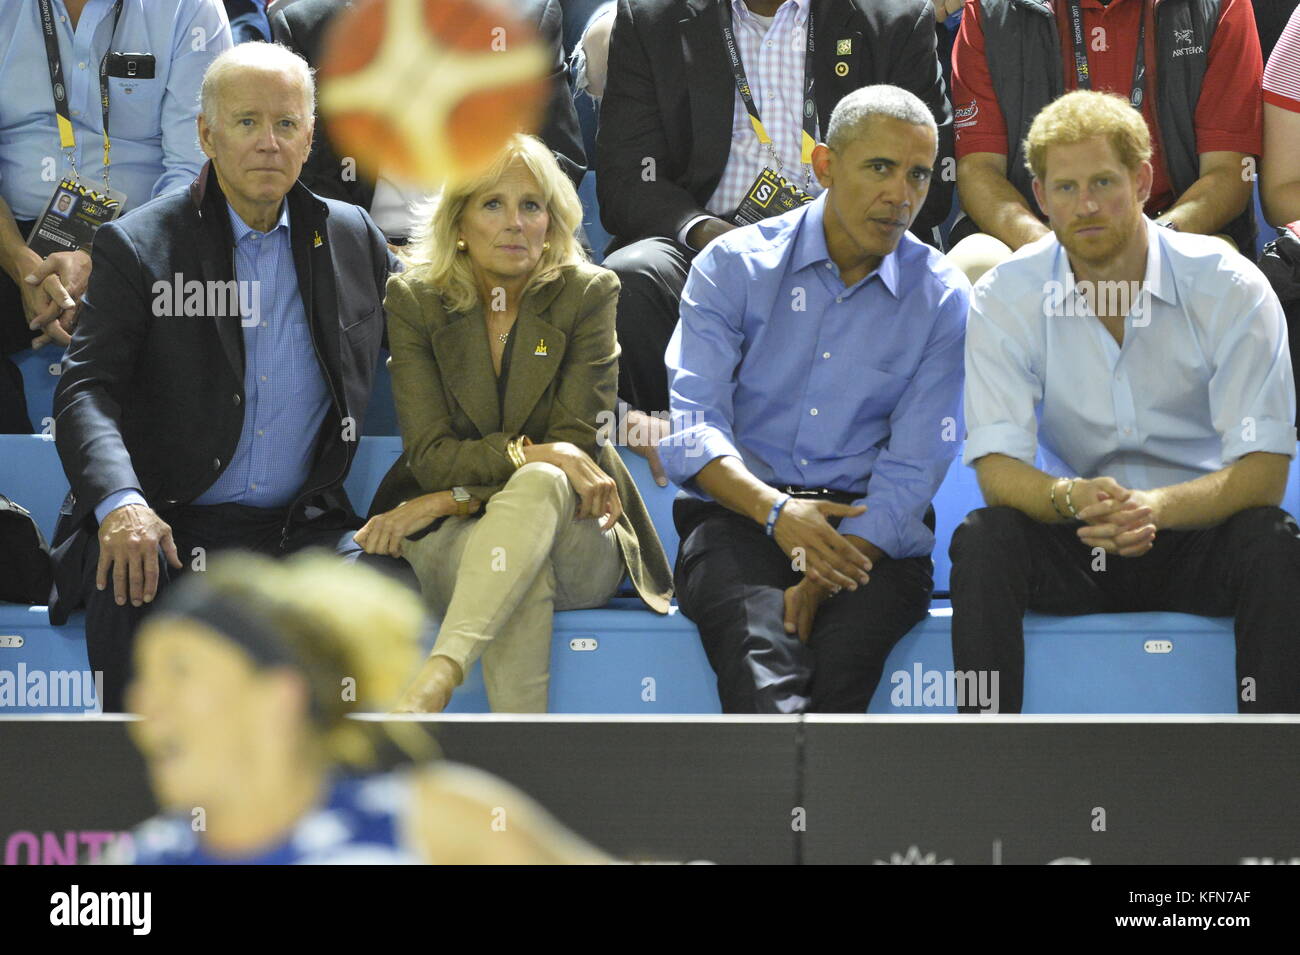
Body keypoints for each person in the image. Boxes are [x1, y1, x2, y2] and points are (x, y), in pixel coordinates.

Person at [49, 42, 399, 713]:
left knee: (388, 579)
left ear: (310, 137)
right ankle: (142, 799)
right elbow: (85, 389)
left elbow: (432, 332)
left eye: (287, 124)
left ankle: (339, 803)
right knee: (126, 583)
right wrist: (120, 502)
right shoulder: (139, 244)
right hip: (170, 524)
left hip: (301, 529)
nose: (269, 143)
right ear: (206, 134)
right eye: (246, 123)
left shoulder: (353, 238)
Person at [953, 90, 1300, 714]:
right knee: (985, 539)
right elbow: (997, 469)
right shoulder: (1006, 294)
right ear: (1039, 197)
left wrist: (1155, 508)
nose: (1084, 206)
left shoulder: (1230, 286)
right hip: (1079, 530)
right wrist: (1070, 499)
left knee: (1273, 541)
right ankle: (984, 756)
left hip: (1200, 533)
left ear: (1142, 181)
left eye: (1103, 182)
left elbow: (1266, 473)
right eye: (1064, 188)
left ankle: (1274, 763)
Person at [659, 86, 969, 714]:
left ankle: (804, 812)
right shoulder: (732, 266)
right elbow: (694, 429)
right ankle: (792, 813)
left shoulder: (941, 296)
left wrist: (823, 577)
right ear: (824, 165)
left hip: (872, 539)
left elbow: (913, 468)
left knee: (837, 683)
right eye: (879, 167)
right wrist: (777, 515)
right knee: (762, 675)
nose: (901, 195)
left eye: (917, 174)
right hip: (742, 521)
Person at [357, 133, 672, 714]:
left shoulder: (589, 294)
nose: (515, 223)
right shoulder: (416, 301)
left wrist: (442, 500)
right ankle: (521, 760)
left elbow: (574, 445)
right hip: (466, 548)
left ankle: (438, 677)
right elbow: (429, 454)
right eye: (492, 204)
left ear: (553, 223)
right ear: (459, 222)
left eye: (532, 206)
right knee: (515, 565)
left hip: (578, 536)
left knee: (545, 483)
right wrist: (532, 457)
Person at [595, 0, 954, 438]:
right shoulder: (653, 17)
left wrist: (823, 239)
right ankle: (680, 458)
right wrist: (718, 238)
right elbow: (628, 179)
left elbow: (930, 182)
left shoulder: (892, 17)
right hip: (708, 243)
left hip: (847, 239)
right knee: (632, 278)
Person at [106, 553, 610, 864]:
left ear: (278, 698)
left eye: (178, 671)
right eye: (142, 680)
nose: (143, 704)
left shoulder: (433, 824)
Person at [0, 0, 231, 433]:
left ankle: (157, 480)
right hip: (12, 233)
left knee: (212, 290)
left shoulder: (190, 8)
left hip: (153, 232)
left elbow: (194, 169)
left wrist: (104, 261)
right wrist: (21, 264)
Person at [947, 0, 1262, 285]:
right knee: (973, 265)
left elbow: (1228, 173)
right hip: (1039, 230)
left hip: (1168, 226)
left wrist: (1151, 243)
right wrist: (1050, 249)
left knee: (1226, 272)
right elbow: (979, 170)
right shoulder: (991, 8)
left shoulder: (1222, 5)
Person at [269, 0, 587, 247]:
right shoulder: (312, 25)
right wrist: (372, 251)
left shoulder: (526, 19)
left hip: (495, 242)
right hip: (367, 249)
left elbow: (559, 162)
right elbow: (307, 179)